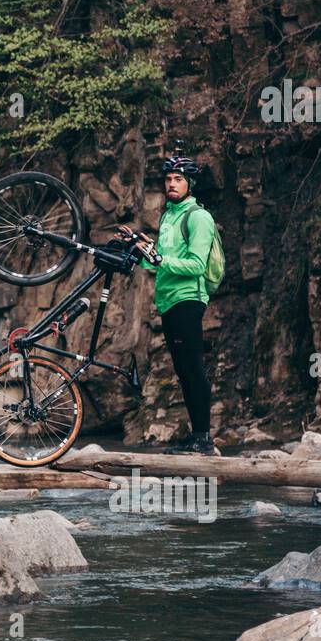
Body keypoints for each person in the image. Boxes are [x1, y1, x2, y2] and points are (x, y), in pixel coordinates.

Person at [114, 155, 217, 454]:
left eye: (178, 179)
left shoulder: (198, 216)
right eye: (168, 179)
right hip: (169, 300)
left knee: (193, 367)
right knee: (182, 370)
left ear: (190, 184)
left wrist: (159, 258)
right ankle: (197, 435)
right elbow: (162, 262)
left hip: (188, 299)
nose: (171, 184)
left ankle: (204, 439)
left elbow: (196, 265)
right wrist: (143, 245)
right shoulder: (169, 216)